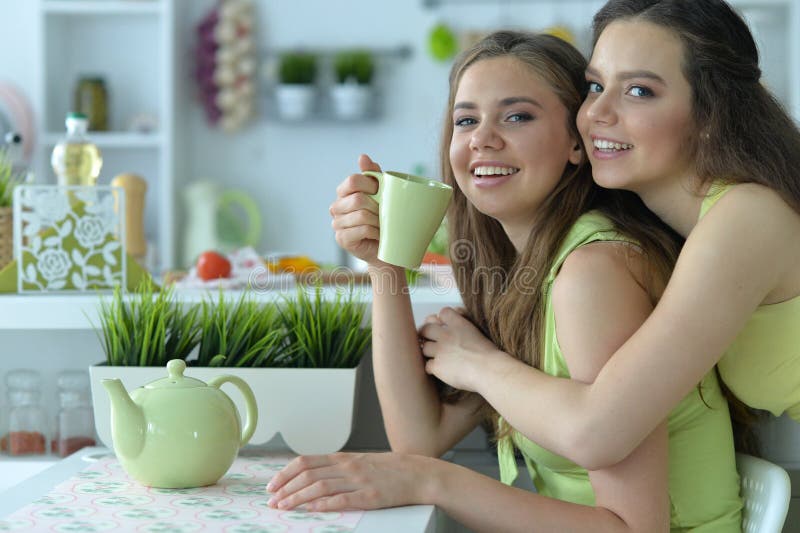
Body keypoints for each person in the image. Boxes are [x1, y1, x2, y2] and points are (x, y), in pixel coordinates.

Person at [266, 30, 742, 531]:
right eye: (466, 119)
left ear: (576, 144)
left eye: (517, 116)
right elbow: (419, 438)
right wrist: (386, 267)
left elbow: (633, 529)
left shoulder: (594, 271)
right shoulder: (520, 272)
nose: (482, 139)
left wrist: (433, 479)